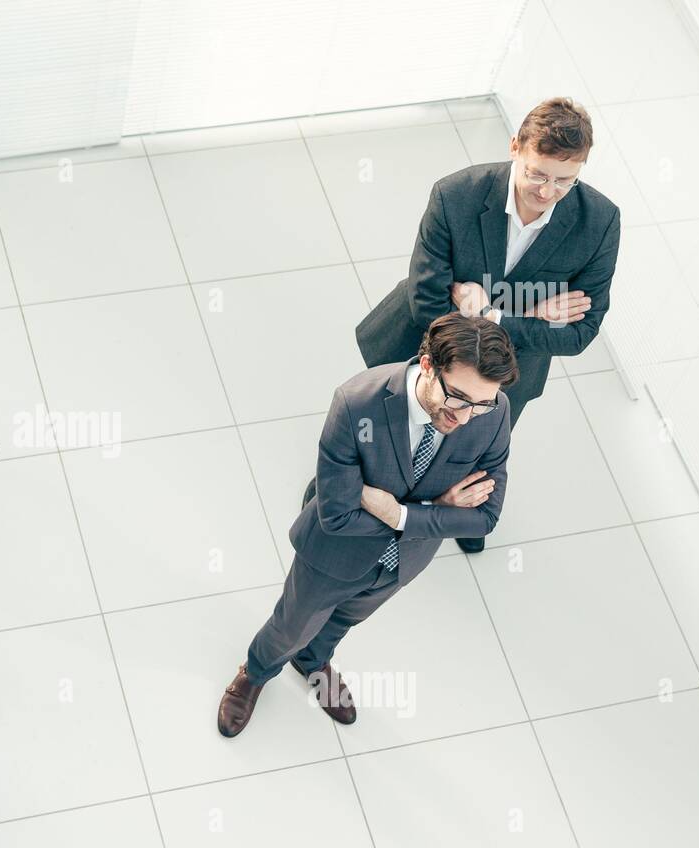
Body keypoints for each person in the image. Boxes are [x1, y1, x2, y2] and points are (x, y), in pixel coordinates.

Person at [218, 313, 518, 737]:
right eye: (458, 399)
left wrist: (404, 513)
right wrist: (441, 512)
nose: (467, 417)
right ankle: (255, 672)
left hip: (403, 561)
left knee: (345, 620)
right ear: (429, 365)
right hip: (333, 555)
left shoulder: (493, 410)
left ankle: (314, 660)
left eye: (481, 404)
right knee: (291, 625)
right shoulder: (357, 403)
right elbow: (338, 515)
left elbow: (485, 517)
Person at [345, 96, 620, 554]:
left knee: (473, 445)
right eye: (538, 173)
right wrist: (530, 314)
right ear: (515, 146)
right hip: (421, 348)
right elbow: (429, 303)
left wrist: (490, 314)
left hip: (509, 373)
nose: (548, 191)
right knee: (385, 432)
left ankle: (455, 515)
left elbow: (579, 333)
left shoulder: (601, 222)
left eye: (565, 180)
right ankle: (341, 491)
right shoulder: (456, 194)